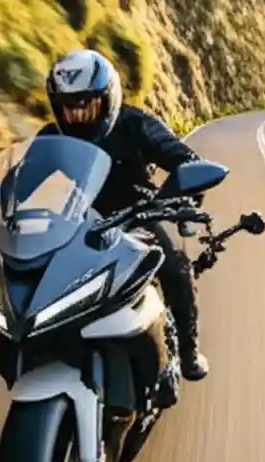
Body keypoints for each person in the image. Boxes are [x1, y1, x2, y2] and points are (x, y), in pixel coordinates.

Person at [39, 49, 209, 380]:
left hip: (137, 218)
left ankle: (188, 351)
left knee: (174, 267)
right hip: (75, 227)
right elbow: (24, 180)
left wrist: (190, 179)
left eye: (85, 104)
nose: (77, 115)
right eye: (67, 107)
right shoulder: (50, 138)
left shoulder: (135, 124)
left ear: (107, 97)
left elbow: (180, 155)